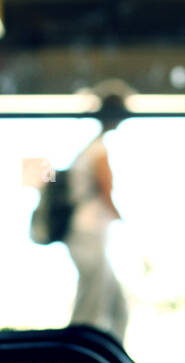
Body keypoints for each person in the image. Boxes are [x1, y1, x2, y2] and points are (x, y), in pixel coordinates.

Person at [65, 89, 128, 341]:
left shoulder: (91, 149)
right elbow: (106, 191)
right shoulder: (98, 151)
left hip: (86, 233)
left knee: (116, 306)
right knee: (90, 308)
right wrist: (125, 221)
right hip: (88, 233)